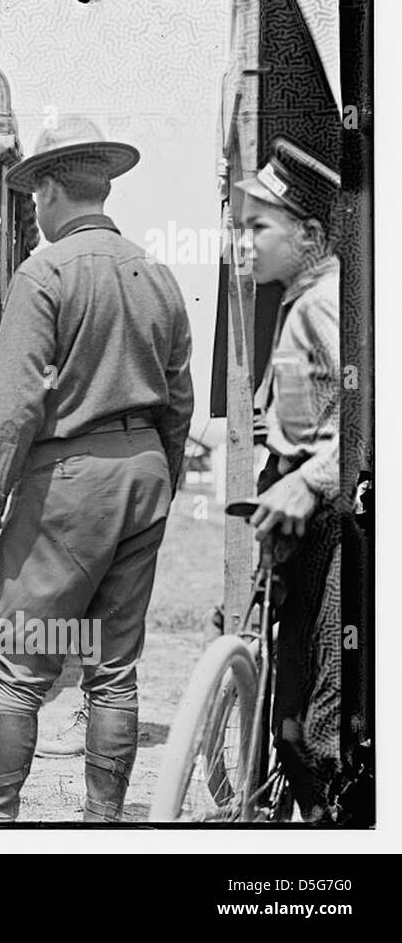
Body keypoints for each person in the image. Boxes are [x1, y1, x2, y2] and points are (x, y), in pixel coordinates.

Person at [0, 117, 194, 821]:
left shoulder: (43, 273)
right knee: (113, 667)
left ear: (54, 191)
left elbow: (13, 405)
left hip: (68, 484)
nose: (34, 208)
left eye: (36, 194)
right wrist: (163, 480)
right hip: (143, 475)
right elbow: (180, 400)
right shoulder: (157, 274)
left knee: (20, 666)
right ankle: (102, 826)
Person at [237, 137, 343, 822]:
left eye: (258, 227)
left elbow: (373, 415)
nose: (244, 244)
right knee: (290, 678)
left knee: (323, 699)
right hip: (299, 510)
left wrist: (310, 480)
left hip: (331, 515)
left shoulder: (324, 302)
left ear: (307, 234)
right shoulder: (304, 298)